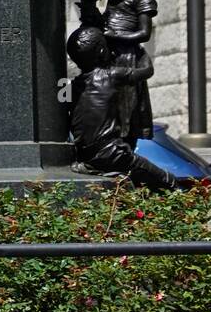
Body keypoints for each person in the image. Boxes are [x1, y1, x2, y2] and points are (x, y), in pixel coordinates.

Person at [67, 25, 175, 192]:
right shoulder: (111, 75)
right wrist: (137, 48)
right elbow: (147, 71)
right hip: (113, 154)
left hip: (86, 156)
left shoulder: (72, 87)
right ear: (103, 52)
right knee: (167, 181)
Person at [100, 0, 158, 143]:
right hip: (110, 56)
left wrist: (114, 35)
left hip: (127, 60)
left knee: (125, 116)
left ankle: (124, 153)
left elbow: (144, 33)